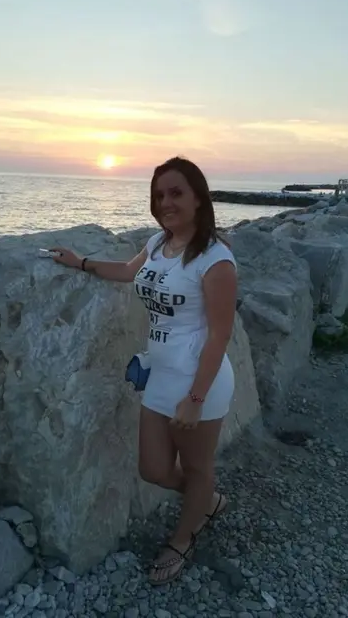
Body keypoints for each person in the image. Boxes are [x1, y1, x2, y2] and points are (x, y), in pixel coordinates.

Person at [51, 156, 238, 585]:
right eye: (158, 195)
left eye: (176, 193)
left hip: (201, 382)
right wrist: (80, 262)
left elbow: (220, 335)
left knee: (197, 467)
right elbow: (126, 271)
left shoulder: (216, 260)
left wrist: (195, 399)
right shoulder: (158, 243)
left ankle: (182, 539)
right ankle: (204, 500)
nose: (165, 202)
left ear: (198, 198)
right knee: (153, 469)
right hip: (161, 375)